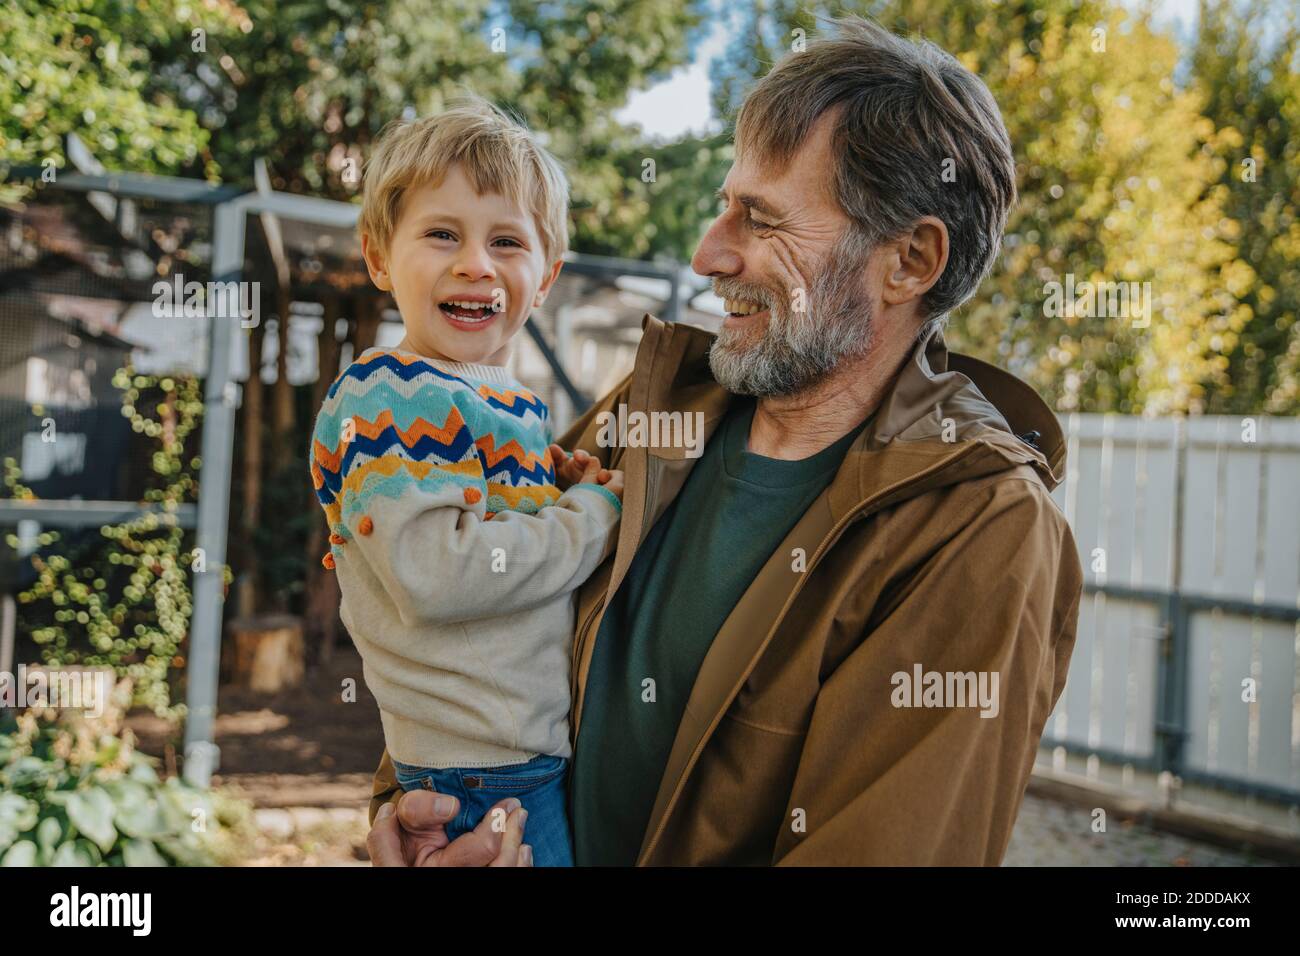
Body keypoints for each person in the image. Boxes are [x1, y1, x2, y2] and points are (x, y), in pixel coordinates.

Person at [367, 16, 1084, 867]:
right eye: (723, 207)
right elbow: (478, 623)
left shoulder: (979, 528)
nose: (709, 253)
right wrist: (419, 808)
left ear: (908, 261)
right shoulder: (654, 407)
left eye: (762, 220)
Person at [310, 96, 625, 867]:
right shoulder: (391, 396)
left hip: (515, 752)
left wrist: (555, 483)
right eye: (442, 233)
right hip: (481, 770)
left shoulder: (495, 400)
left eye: (507, 241)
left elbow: (493, 514)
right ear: (381, 255)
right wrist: (590, 515)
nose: (475, 263)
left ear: (545, 277)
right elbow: (439, 573)